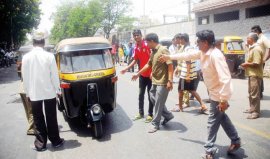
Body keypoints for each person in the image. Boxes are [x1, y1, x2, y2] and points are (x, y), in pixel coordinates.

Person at [159, 30, 241, 158]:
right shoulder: (203, 52)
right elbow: (187, 55)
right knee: (222, 118)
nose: (196, 43)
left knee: (212, 120)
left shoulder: (215, 55)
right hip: (214, 92)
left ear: (206, 42)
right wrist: (169, 57)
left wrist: (223, 100)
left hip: (219, 94)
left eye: (198, 41)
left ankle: (209, 149)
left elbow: (225, 78)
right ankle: (235, 140)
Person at [22, 30, 64, 151]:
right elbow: (54, 76)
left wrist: (28, 93)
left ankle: (41, 144)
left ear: (33, 42)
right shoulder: (49, 56)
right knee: (51, 117)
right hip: (49, 92)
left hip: (34, 93)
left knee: (38, 118)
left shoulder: (26, 57)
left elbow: (25, 78)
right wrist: (58, 90)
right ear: (43, 42)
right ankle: (56, 141)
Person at [132, 33, 174, 133]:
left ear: (151, 41)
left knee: (158, 103)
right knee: (152, 97)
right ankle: (168, 115)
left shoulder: (163, 50)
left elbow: (170, 66)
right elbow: (148, 64)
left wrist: (170, 81)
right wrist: (138, 74)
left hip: (163, 82)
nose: (146, 44)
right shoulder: (153, 51)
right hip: (155, 80)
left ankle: (155, 124)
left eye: (147, 42)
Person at [120, 29, 154, 123]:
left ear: (141, 35)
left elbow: (153, 60)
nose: (136, 37)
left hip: (151, 75)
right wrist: (126, 68)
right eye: (134, 35)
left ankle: (150, 114)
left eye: (137, 35)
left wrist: (153, 72)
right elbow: (135, 60)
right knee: (140, 95)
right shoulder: (135, 47)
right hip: (142, 75)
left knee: (150, 95)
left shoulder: (147, 45)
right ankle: (141, 113)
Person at [171, 33, 206, 113]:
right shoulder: (189, 48)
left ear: (183, 39)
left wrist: (187, 76)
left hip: (186, 75)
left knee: (180, 91)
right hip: (190, 74)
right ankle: (203, 104)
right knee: (191, 90)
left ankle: (180, 108)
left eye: (180, 39)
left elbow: (188, 62)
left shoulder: (187, 49)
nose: (179, 41)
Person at [241, 33, 263, 119]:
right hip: (251, 74)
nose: (246, 40)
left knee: (254, 94)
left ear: (252, 39)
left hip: (255, 75)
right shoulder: (252, 48)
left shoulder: (256, 49)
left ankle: (255, 112)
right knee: (251, 93)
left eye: (248, 38)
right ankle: (252, 108)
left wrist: (246, 64)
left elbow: (256, 63)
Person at [251, 25, 270, 99]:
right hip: (256, 61)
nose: (252, 34)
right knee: (257, 77)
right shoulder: (258, 38)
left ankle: (259, 94)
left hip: (259, 62)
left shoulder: (263, 38)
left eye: (252, 32)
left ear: (257, 31)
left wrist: (264, 59)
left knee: (257, 77)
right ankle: (259, 92)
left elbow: (269, 48)